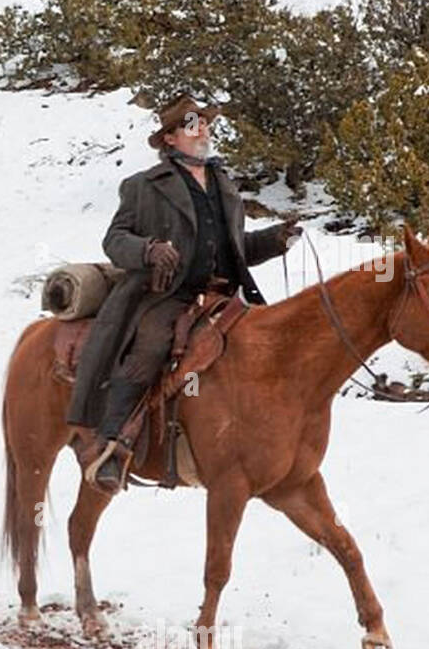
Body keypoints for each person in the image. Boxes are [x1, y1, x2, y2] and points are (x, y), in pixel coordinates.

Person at [67, 94, 302, 493]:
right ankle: (113, 444)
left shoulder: (223, 184)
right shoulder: (143, 187)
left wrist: (275, 239)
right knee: (150, 349)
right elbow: (114, 240)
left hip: (224, 296)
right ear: (171, 139)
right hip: (167, 296)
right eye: (192, 125)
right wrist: (147, 250)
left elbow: (234, 247)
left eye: (205, 124)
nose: (202, 131)